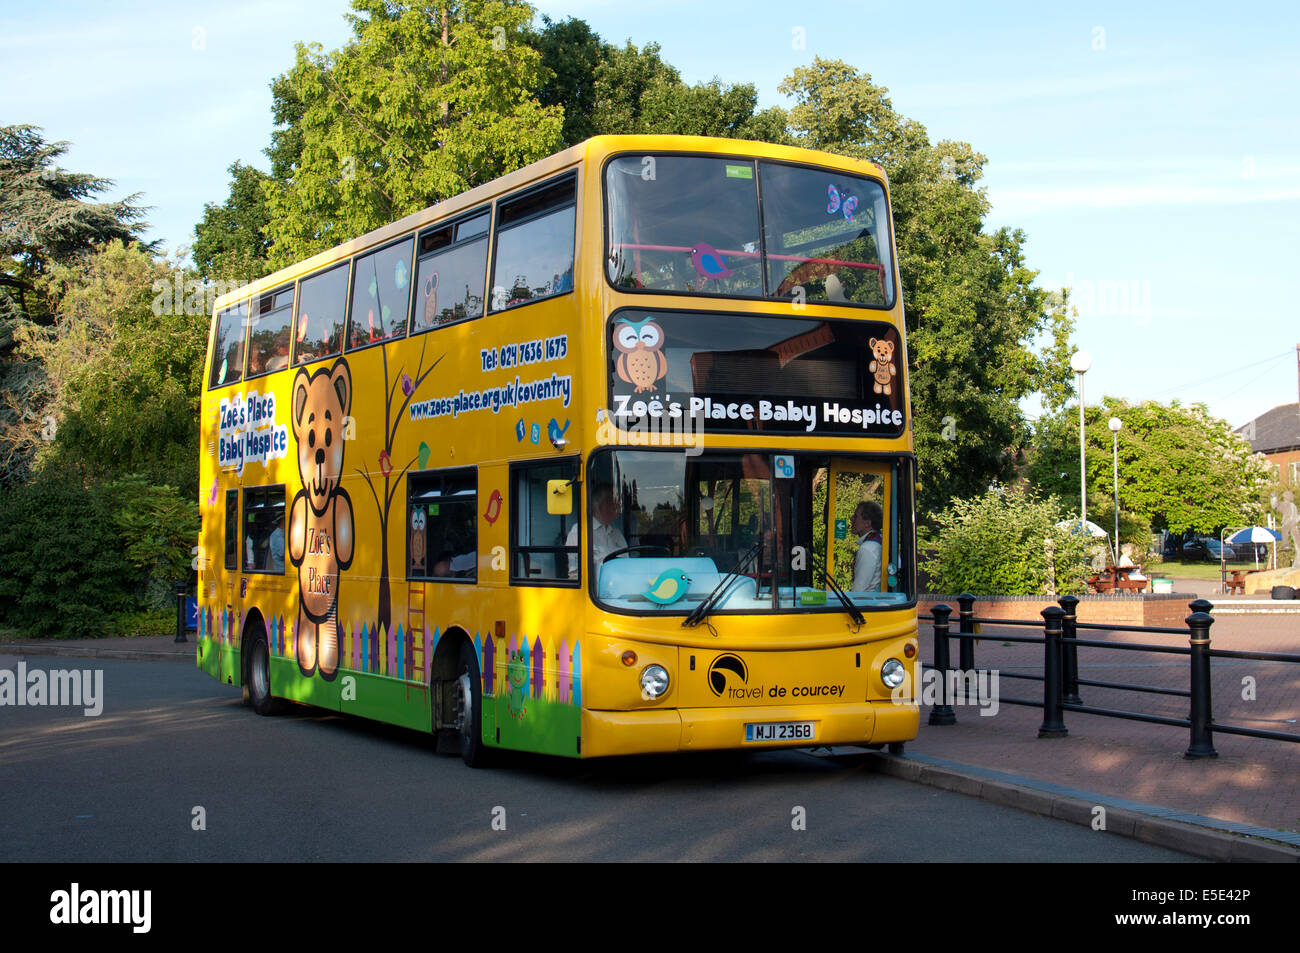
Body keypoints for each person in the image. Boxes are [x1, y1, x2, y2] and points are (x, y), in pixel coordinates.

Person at [568, 483, 628, 578]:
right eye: (611, 502)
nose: (617, 506)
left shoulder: (617, 534)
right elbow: (575, 575)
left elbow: (627, 564)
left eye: (618, 502)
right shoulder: (580, 532)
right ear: (598, 505)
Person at [850, 500, 883, 592]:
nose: (851, 518)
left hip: (867, 604)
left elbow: (858, 591)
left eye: (856, 516)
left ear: (867, 523)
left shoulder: (867, 548)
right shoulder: (880, 541)